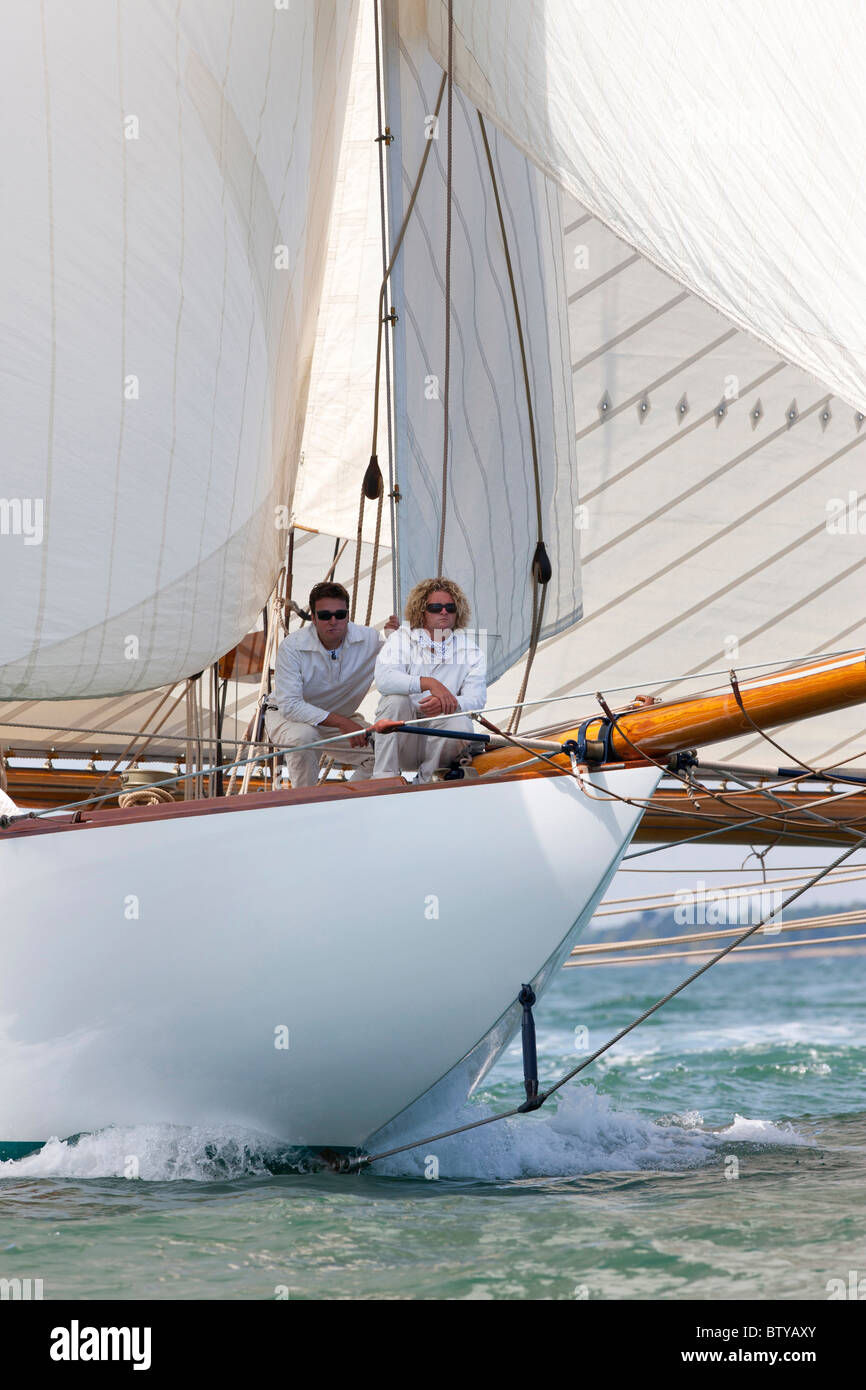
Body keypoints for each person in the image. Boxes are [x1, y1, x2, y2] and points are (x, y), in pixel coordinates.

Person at [265, 582, 398, 788]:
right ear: (314, 618)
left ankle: (344, 800)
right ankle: (305, 800)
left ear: (348, 614)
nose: (333, 621)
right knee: (304, 737)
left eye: (340, 614)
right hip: (288, 717)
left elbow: (398, 665)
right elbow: (290, 706)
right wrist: (343, 723)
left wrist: (396, 638)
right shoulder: (292, 647)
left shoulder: (370, 640)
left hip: (336, 720)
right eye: (325, 615)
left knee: (385, 753)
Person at [371, 578, 486, 783]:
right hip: (401, 738)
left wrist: (446, 702)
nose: (443, 612)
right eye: (435, 607)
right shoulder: (401, 638)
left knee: (460, 722)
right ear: (421, 611)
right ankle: (384, 778)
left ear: (457, 611)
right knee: (395, 700)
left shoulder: (472, 651)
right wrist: (429, 683)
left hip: (441, 743)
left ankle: (426, 781)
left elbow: (477, 699)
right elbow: (384, 679)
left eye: (450, 607)